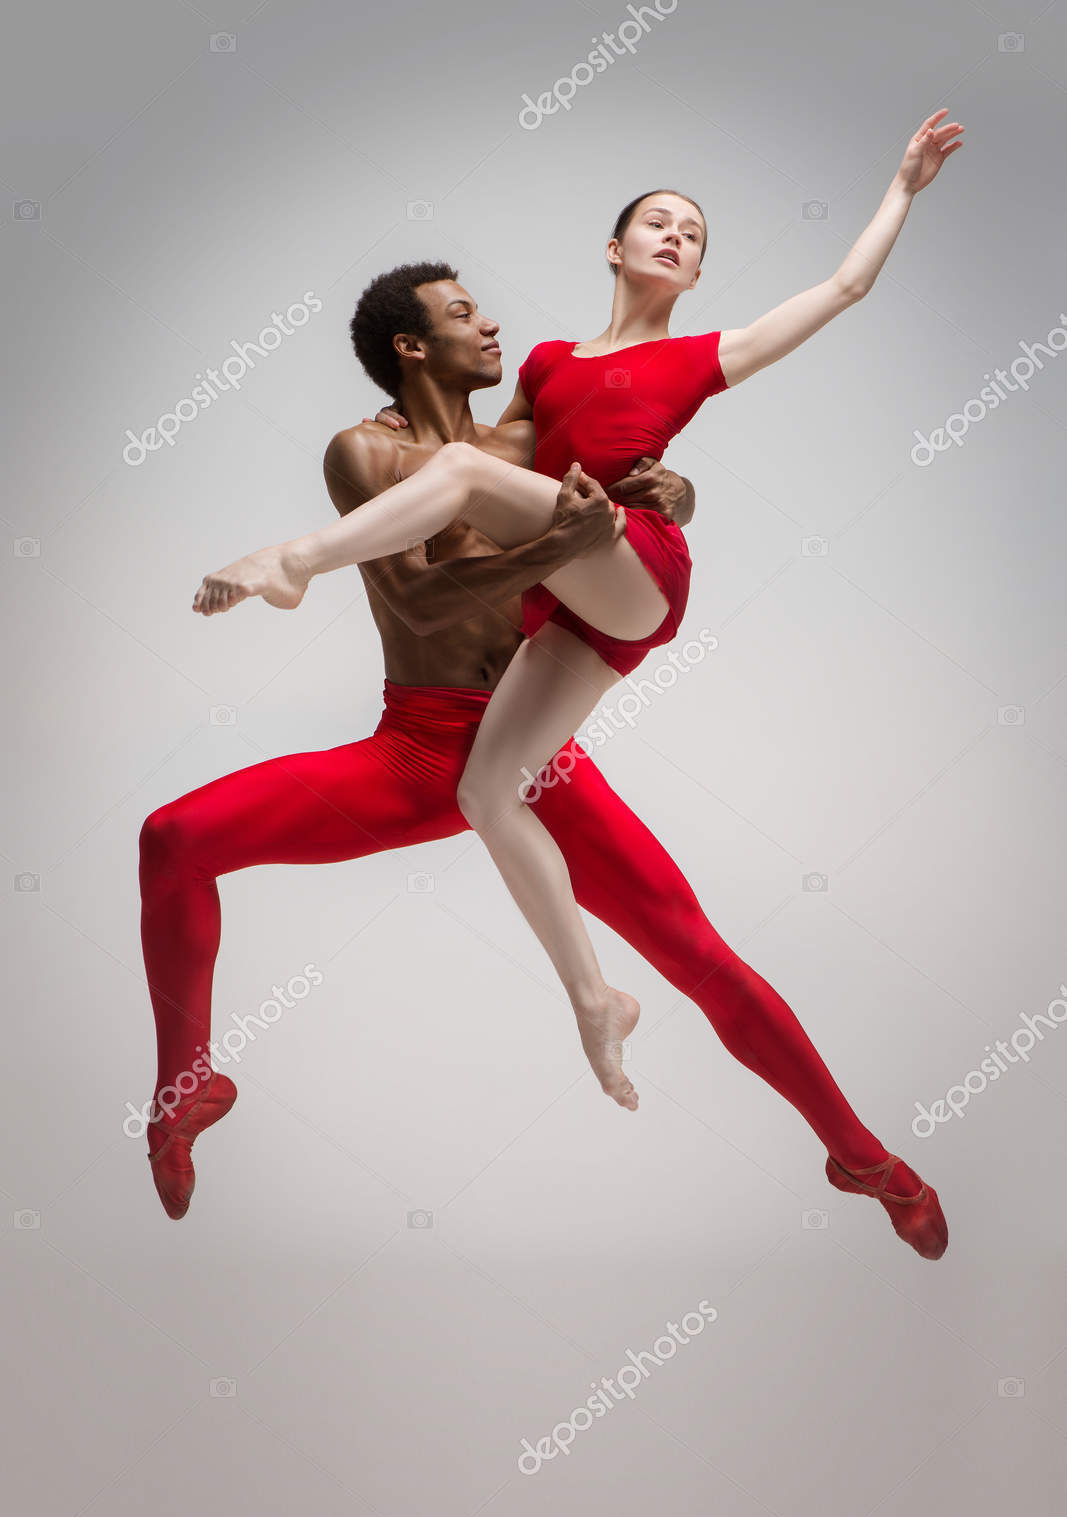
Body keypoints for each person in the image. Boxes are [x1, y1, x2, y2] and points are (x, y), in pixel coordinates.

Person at [190, 114, 963, 1133]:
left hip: (635, 567)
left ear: (694, 274)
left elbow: (841, 290)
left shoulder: (698, 355)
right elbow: (507, 465)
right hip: (573, 606)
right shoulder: (547, 363)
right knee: (485, 790)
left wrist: (899, 190)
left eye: (693, 232)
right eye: (656, 220)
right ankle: (595, 1002)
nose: (675, 235)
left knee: (460, 473)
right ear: (613, 247)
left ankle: (288, 563)